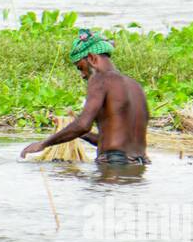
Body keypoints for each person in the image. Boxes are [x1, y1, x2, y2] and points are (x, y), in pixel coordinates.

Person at [20, 29, 150, 165]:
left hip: (114, 166)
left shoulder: (100, 78)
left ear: (92, 58)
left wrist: (43, 143)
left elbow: (83, 125)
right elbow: (110, 141)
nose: (82, 75)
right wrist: (73, 130)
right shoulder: (135, 86)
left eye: (80, 67)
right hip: (139, 165)